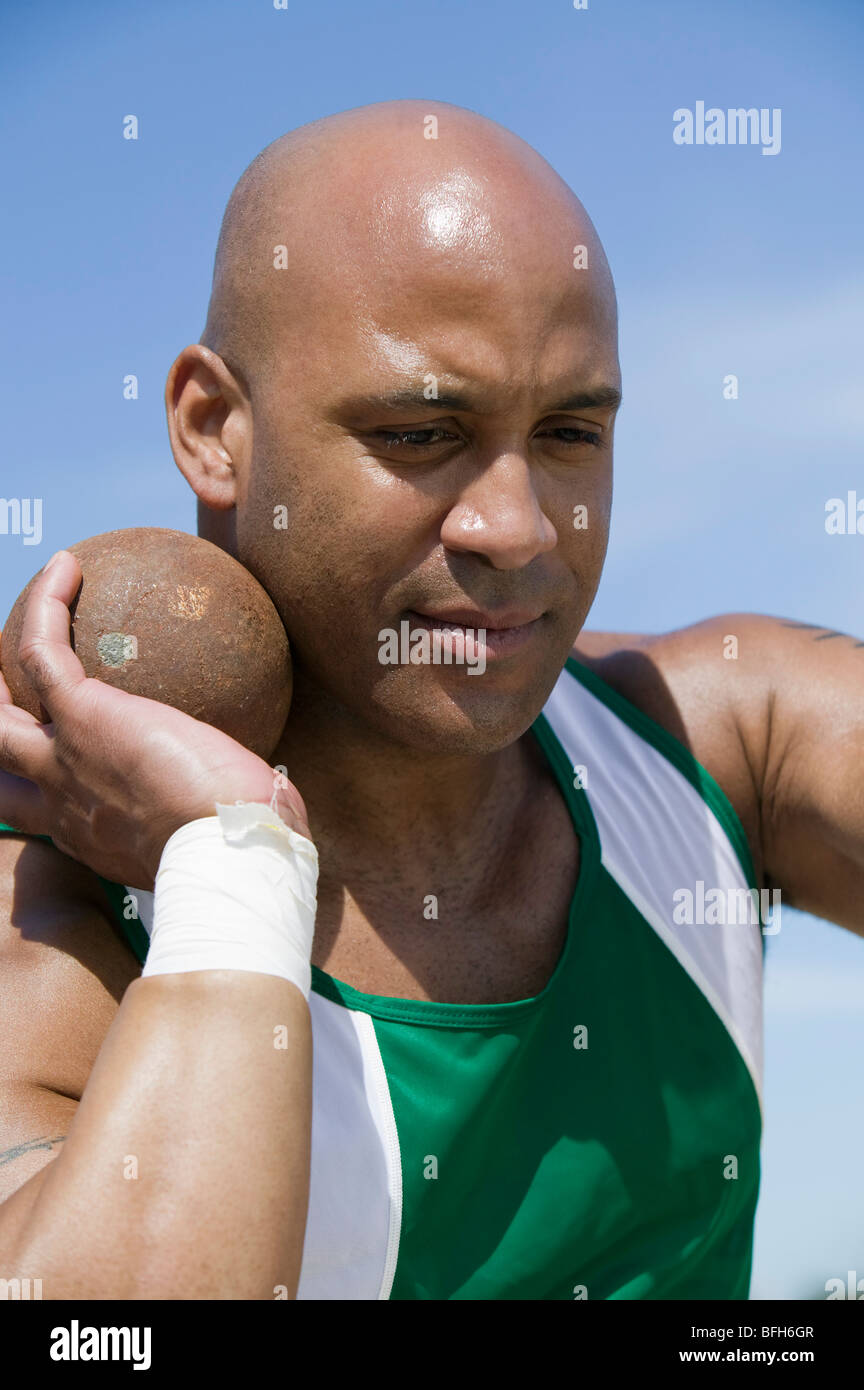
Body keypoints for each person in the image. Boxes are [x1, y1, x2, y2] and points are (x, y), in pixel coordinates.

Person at [0, 99, 861, 1301]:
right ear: (214, 427)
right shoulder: (48, 906)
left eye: (568, 432)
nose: (513, 530)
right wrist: (232, 860)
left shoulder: (723, 747)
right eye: (419, 431)